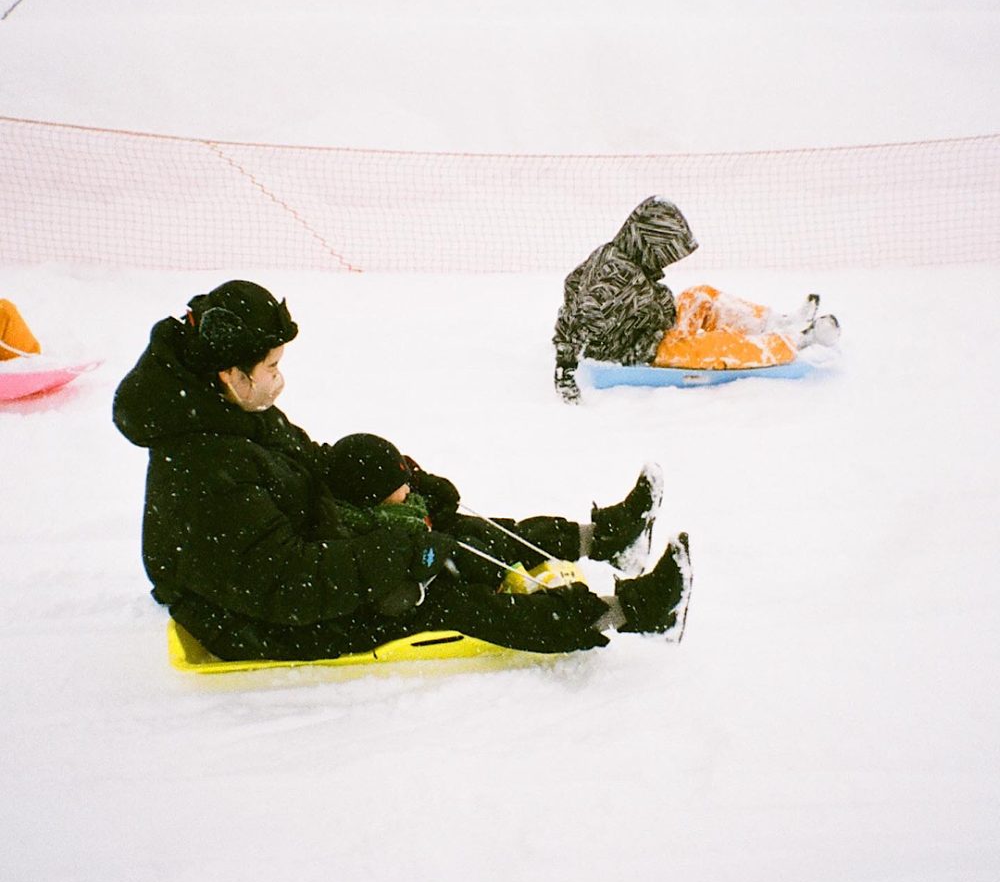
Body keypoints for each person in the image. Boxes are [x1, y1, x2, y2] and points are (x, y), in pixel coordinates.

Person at [113, 279, 692, 662]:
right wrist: (400, 555)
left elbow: (306, 461)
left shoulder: (223, 411)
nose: (279, 380)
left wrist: (400, 483)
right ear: (229, 375)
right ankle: (630, 612)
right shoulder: (202, 467)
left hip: (304, 543)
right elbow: (283, 583)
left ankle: (604, 540)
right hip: (250, 617)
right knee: (431, 590)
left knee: (442, 525)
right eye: (270, 367)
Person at [552, 197, 840, 403]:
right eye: (666, 252)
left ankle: (778, 321)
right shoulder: (612, 276)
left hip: (657, 324)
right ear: (650, 243)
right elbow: (576, 321)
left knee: (701, 295)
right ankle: (796, 339)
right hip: (647, 348)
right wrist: (565, 371)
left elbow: (572, 284)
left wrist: (654, 304)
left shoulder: (619, 255)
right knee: (716, 346)